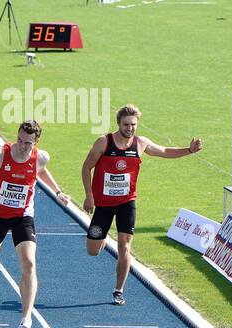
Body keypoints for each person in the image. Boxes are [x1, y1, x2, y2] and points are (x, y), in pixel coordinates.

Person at [81, 104, 202, 305]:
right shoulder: (104, 142)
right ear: (118, 124)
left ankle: (118, 290)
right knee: (92, 251)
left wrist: (189, 150)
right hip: (103, 204)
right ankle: (102, 237)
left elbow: (164, 151)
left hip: (127, 203)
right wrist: (89, 195)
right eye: (126, 124)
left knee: (125, 247)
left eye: (133, 124)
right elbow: (86, 167)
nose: (130, 128)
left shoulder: (140, 144)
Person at [0, 120, 70, 328]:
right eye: (20, 140)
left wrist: (58, 192)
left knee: (29, 263)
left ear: (36, 142)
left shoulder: (40, 157)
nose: (23, 146)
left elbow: (41, 172)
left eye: (28, 143)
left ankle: (26, 317)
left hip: (23, 216)